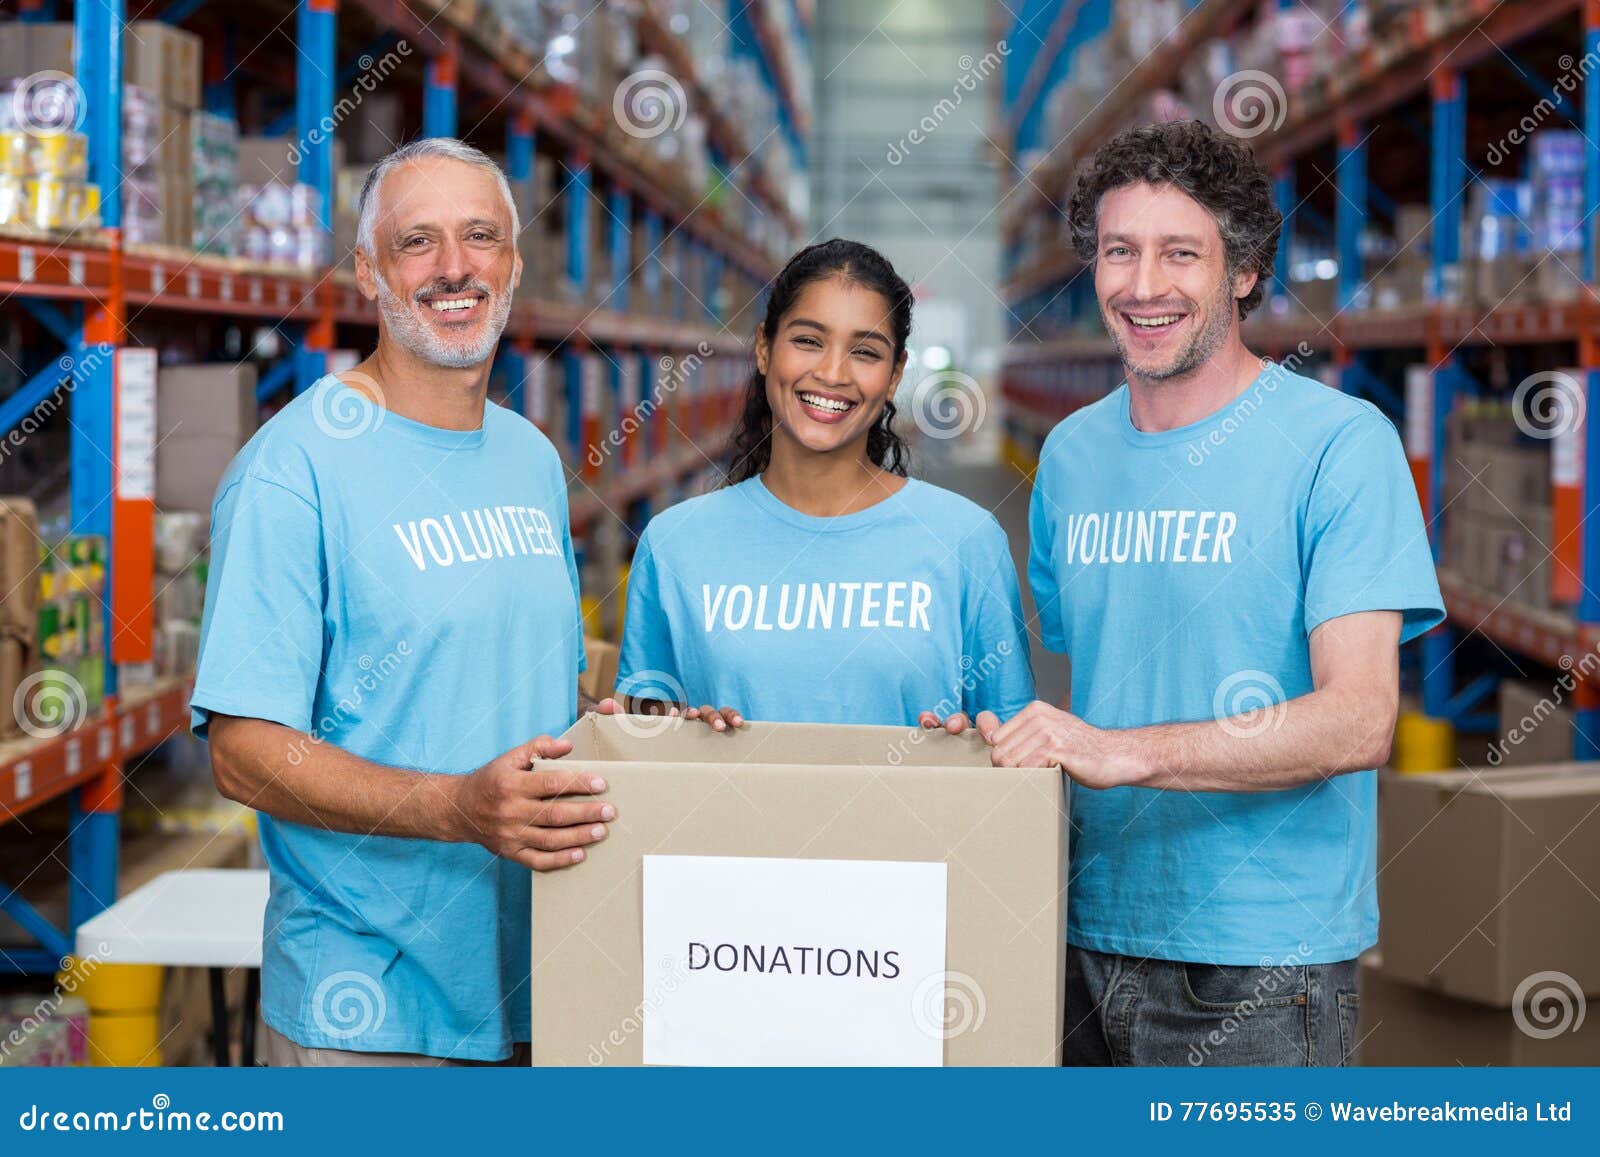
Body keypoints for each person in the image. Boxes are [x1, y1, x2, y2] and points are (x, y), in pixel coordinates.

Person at [980, 120, 1444, 1066]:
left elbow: (1359, 721)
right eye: (1120, 251)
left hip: (1258, 966)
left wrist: (1121, 752)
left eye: (1179, 253)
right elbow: (1096, 677)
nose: (1143, 286)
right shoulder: (1072, 455)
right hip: (1080, 927)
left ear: (1240, 271)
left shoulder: (1339, 446)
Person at [191, 138, 618, 1066]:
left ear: (512, 261)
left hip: (543, 980)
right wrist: (459, 808)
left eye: (480, 237)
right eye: (417, 241)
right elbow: (244, 752)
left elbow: (514, 665)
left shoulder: (531, 458)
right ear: (368, 270)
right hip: (370, 1012)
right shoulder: (294, 468)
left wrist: (640, 711)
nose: (455, 268)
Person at [615, 239, 1034, 731]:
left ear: (895, 375)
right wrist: (679, 731)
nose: (832, 373)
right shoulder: (674, 545)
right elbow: (640, 749)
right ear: (764, 348)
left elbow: (1017, 759)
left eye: (865, 352)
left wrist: (972, 747)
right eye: (808, 341)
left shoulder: (966, 540)